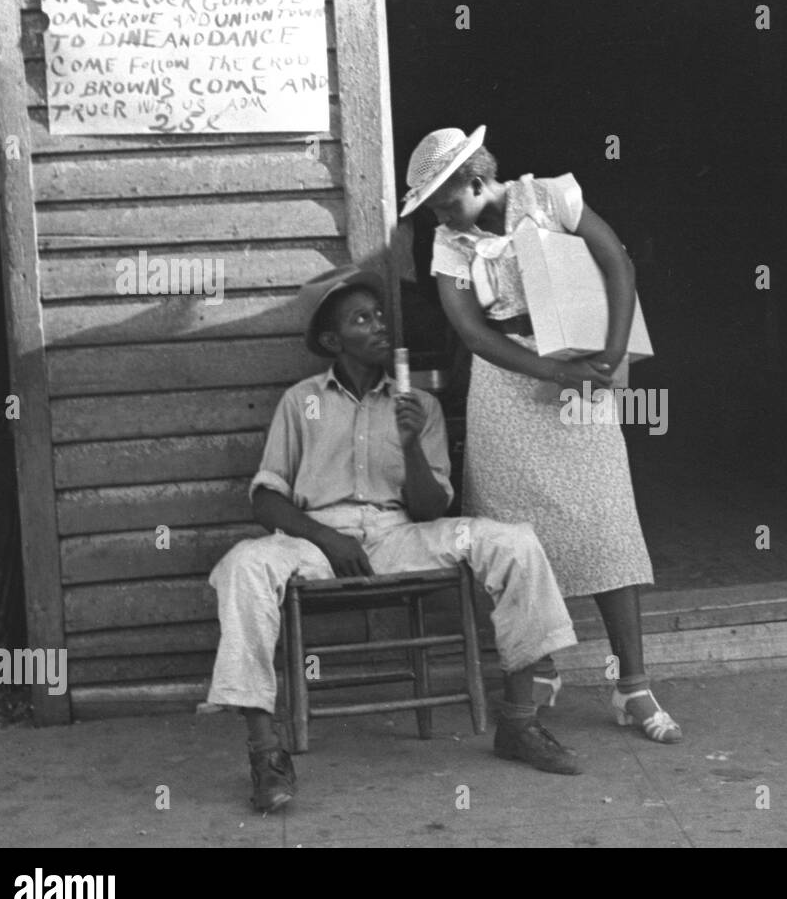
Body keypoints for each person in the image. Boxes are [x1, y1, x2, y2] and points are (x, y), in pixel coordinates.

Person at [205, 265, 586, 814]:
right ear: (334, 341)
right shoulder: (301, 401)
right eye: (363, 319)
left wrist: (410, 444)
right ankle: (266, 754)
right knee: (243, 565)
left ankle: (520, 723)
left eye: (381, 314)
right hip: (316, 543)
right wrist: (325, 538)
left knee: (515, 542)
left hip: (397, 535)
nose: (380, 325)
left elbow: (435, 508)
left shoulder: (419, 406)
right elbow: (265, 498)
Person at [400, 125, 682, 744]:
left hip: (583, 364)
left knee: (606, 520)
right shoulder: (451, 244)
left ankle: (632, 683)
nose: (439, 215)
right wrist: (558, 373)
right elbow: (474, 334)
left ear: (475, 181)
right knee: (517, 531)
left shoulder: (552, 198)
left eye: (444, 199)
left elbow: (617, 262)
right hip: (508, 386)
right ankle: (541, 667)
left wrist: (609, 357)